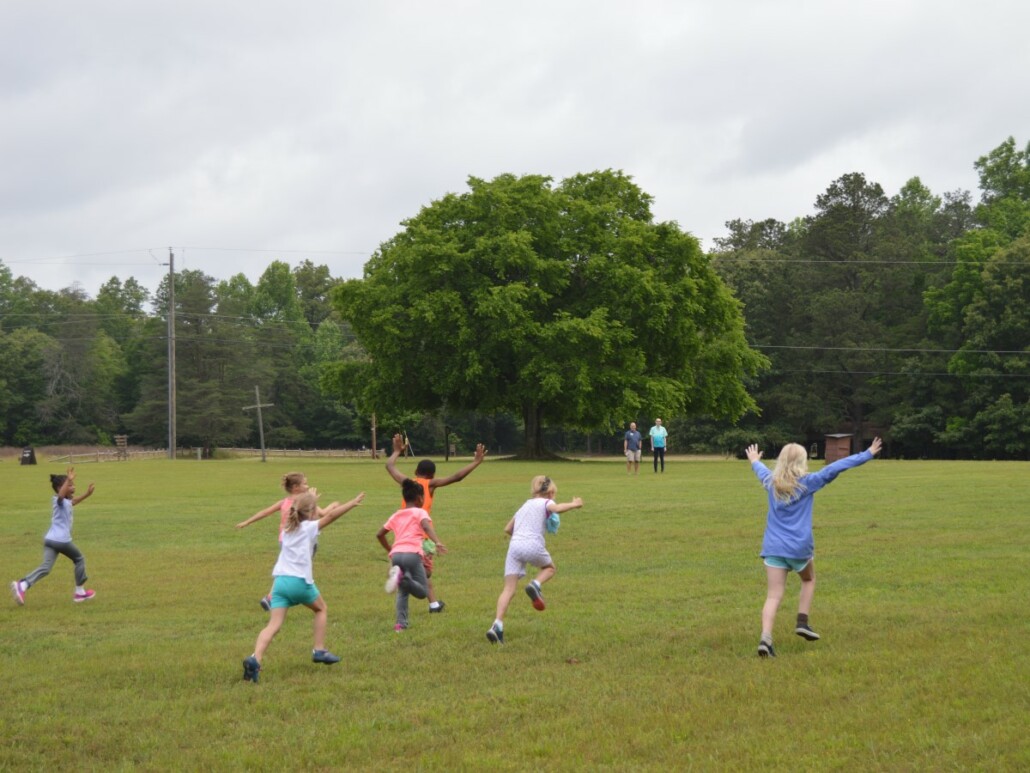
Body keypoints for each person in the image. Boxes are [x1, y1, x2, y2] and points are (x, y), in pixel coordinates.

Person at [745, 436, 882, 658]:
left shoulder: (771, 482)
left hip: (773, 547)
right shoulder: (808, 483)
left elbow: (760, 470)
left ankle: (765, 638)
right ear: (802, 462)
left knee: (773, 596)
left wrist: (754, 460)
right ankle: (802, 621)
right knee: (808, 580)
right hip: (799, 548)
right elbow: (836, 467)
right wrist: (867, 454)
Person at [242, 489, 364, 684]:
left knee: (273, 626)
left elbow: (312, 514)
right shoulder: (308, 528)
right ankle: (319, 649)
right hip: (299, 582)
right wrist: (351, 503)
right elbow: (330, 516)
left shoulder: (287, 530)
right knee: (321, 609)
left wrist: (310, 501)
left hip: (280, 583)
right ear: (312, 511)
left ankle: (255, 659)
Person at [385, 433, 486, 613]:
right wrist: (476, 462)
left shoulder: (407, 483)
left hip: (402, 536)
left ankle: (433, 605)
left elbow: (390, 466)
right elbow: (457, 477)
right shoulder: (430, 484)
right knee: (425, 572)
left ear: (416, 471)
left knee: (422, 571)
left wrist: (396, 452)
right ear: (432, 475)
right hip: (422, 537)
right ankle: (404, 576)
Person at [485, 475, 583, 645]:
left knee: (508, 589)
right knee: (550, 568)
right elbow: (557, 508)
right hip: (532, 543)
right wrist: (575, 504)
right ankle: (535, 585)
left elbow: (507, 528)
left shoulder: (525, 505)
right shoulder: (546, 503)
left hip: (514, 547)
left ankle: (497, 625)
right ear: (550, 492)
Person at [235, 472, 338, 612]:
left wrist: (247, 522)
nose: (307, 486)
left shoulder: (283, 502)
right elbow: (323, 514)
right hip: (302, 543)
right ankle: (298, 593)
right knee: (299, 569)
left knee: (284, 568)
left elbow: (265, 512)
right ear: (296, 487)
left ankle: (271, 597)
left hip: (284, 541)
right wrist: (333, 506)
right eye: (305, 483)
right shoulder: (303, 503)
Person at [11, 467, 96, 606]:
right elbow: (61, 496)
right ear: (60, 488)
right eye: (70, 485)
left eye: (73, 484)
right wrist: (68, 480)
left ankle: (23, 585)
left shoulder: (67, 501)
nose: (73, 487)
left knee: (46, 567)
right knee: (79, 559)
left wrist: (87, 494)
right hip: (61, 540)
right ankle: (79, 592)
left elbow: (73, 502)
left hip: (50, 540)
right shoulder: (59, 500)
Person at [377, 478, 448, 632]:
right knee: (422, 592)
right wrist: (437, 542)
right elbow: (426, 527)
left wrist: (390, 549)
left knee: (403, 591)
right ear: (419, 498)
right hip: (412, 554)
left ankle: (400, 625)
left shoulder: (396, 514)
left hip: (396, 555)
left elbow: (379, 534)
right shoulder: (420, 512)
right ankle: (403, 578)